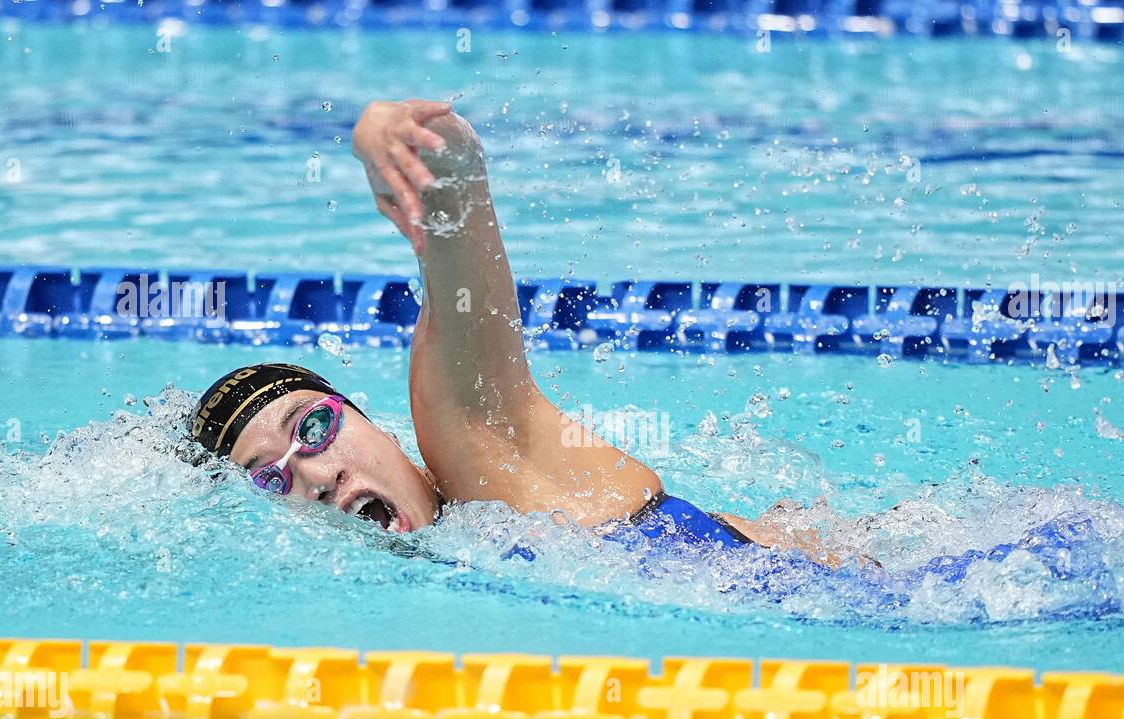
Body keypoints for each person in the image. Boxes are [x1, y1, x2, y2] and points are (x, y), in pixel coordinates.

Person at [189, 99, 875, 569]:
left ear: (381, 427)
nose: (312, 473)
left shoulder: (482, 459)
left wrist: (399, 142)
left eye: (313, 428)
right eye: (269, 480)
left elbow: (456, 210)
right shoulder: (452, 557)